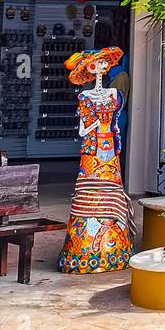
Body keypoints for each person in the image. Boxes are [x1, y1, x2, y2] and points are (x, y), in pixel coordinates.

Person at [57, 47, 135, 274]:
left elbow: (116, 123)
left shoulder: (114, 95)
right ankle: (88, 248)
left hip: (109, 149)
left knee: (110, 187)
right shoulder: (85, 96)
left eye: (103, 63)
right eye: (95, 64)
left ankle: (115, 245)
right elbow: (83, 129)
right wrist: (98, 125)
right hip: (94, 148)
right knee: (91, 189)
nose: (100, 68)